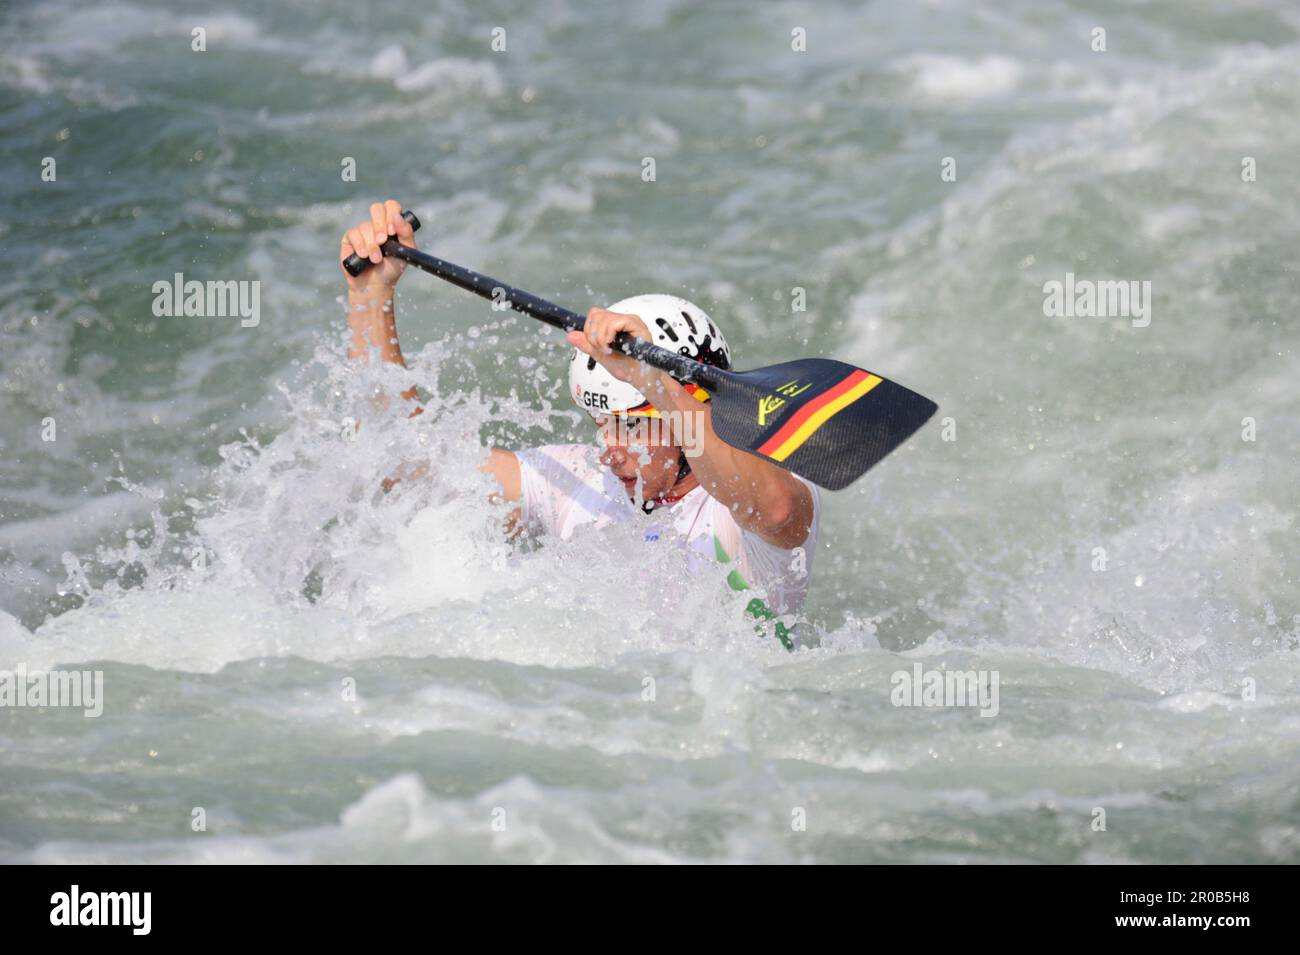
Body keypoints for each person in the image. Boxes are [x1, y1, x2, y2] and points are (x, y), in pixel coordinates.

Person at [341, 200, 819, 646]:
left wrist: (658, 387)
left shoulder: (761, 491)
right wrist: (370, 297)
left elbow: (774, 510)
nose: (609, 449)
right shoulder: (577, 480)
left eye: (632, 426)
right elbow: (404, 469)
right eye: (600, 423)